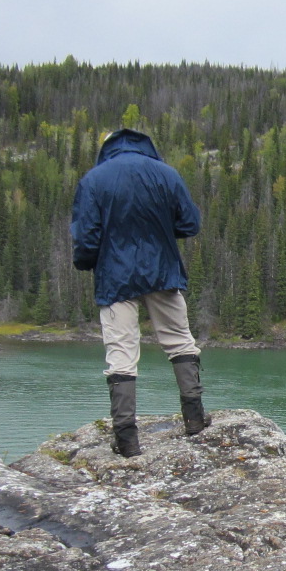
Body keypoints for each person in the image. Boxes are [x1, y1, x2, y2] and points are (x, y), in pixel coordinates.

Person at [71, 127, 211, 456]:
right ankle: (194, 419)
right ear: (145, 145)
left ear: (107, 148)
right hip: (163, 269)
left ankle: (127, 440)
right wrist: (161, 229)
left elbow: (86, 238)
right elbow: (189, 223)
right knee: (179, 340)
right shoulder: (167, 173)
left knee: (121, 351)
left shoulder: (94, 179)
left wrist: (88, 262)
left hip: (115, 274)